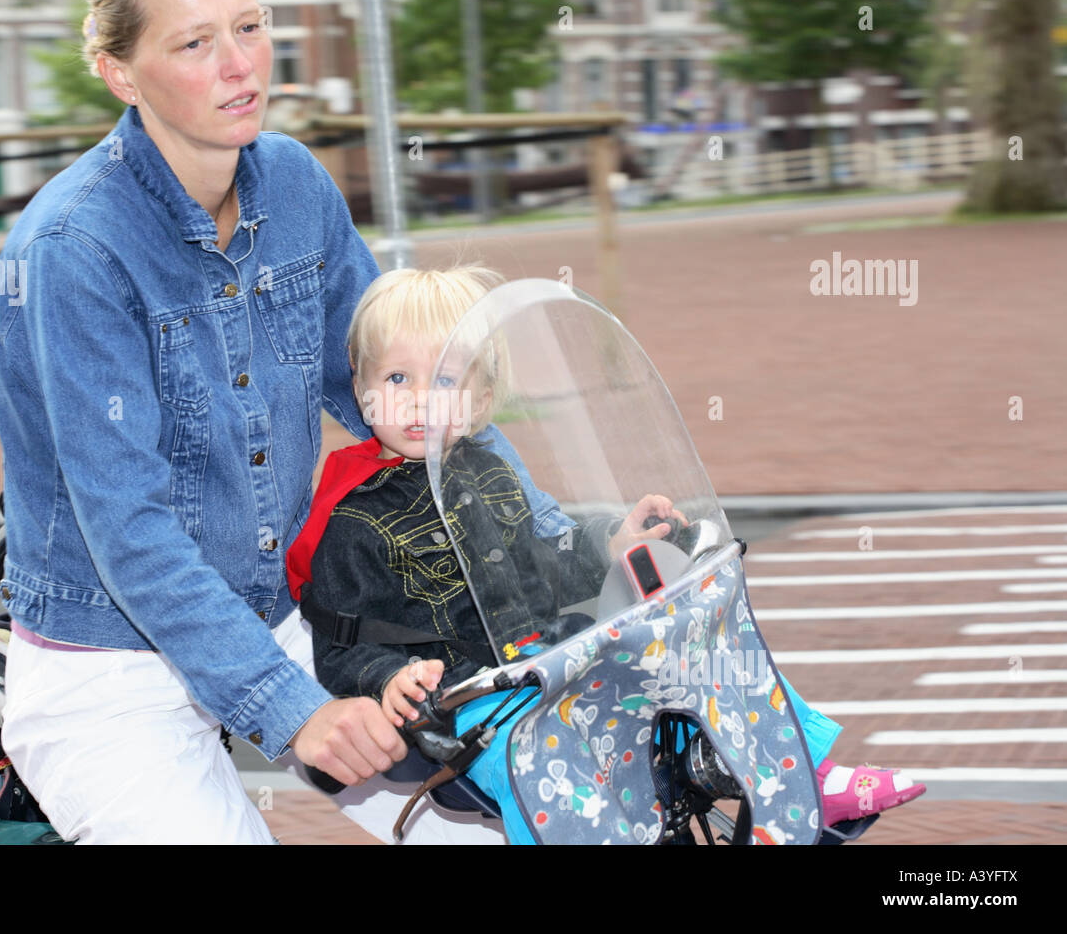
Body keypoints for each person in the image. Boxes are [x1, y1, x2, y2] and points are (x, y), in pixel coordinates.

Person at [0, 0, 414, 844]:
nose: (238, 64)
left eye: (249, 27)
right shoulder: (72, 250)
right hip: (107, 658)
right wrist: (297, 713)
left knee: (512, 791)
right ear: (119, 73)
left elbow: (413, 395)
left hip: (278, 610)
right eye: (193, 43)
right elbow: (130, 530)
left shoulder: (295, 184)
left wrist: (554, 538)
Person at [287, 266, 926, 844]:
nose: (421, 399)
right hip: (474, 706)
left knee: (694, 649)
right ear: (364, 390)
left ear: (481, 399)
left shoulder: (489, 472)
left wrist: (610, 542)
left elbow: (543, 564)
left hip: (557, 659)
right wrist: (387, 680)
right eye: (399, 378)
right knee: (542, 760)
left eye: (446, 380)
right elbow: (340, 645)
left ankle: (807, 776)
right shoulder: (355, 518)